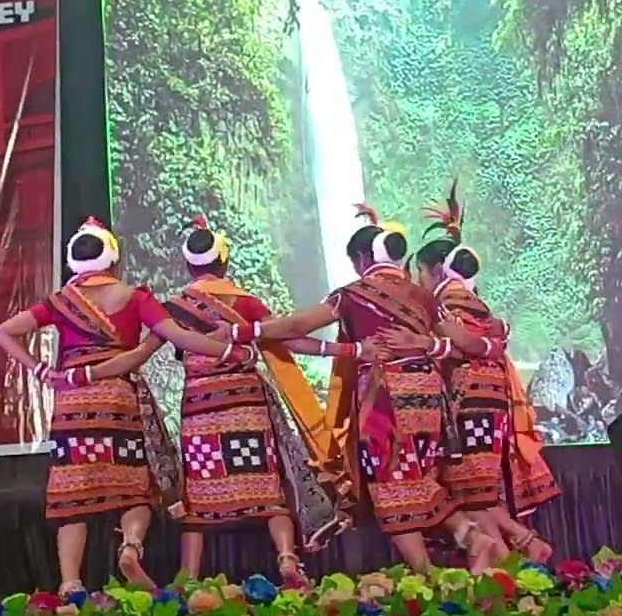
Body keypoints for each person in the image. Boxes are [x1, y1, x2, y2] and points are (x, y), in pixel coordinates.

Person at [217, 204, 497, 574]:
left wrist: (243, 331)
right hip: (429, 399)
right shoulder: (423, 296)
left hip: (385, 399)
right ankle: (469, 538)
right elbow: (469, 345)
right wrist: (432, 346)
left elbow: (299, 324)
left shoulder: (353, 294)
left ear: (365, 258)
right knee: (418, 479)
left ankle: (428, 574)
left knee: (388, 485)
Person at [0, 217, 255, 593]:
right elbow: (178, 335)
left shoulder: (59, 302)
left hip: (73, 401)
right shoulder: (135, 297)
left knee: (72, 495)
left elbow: (2, 331)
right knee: (137, 486)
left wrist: (40, 371)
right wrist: (230, 351)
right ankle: (130, 546)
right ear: (113, 259)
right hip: (117, 397)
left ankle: (69, 583)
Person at [164, 216, 356, 582]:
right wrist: (343, 349)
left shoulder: (174, 307)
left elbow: (153, 345)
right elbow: (288, 338)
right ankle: (286, 557)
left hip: (201, 408)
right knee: (268, 484)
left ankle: (187, 576)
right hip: (245, 405)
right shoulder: (247, 302)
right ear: (225, 261)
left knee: (198, 495)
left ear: (188, 265)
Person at [383, 184, 559, 562]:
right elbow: (489, 342)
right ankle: (517, 552)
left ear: (434, 270)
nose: (420, 282)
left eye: (421, 273)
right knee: (477, 490)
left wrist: (423, 344)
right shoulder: (476, 301)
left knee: (468, 491)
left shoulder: (447, 302)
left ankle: (513, 558)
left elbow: (466, 345)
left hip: (467, 406)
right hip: (489, 408)